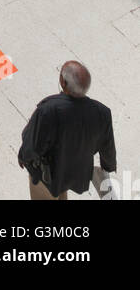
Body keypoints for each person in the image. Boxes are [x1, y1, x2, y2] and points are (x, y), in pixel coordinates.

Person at [18, 61, 116, 201]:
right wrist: (109, 166)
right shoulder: (102, 113)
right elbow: (108, 146)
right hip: (77, 171)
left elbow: (33, 144)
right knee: (61, 193)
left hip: (47, 175)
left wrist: (23, 156)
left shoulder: (47, 110)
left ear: (62, 82)